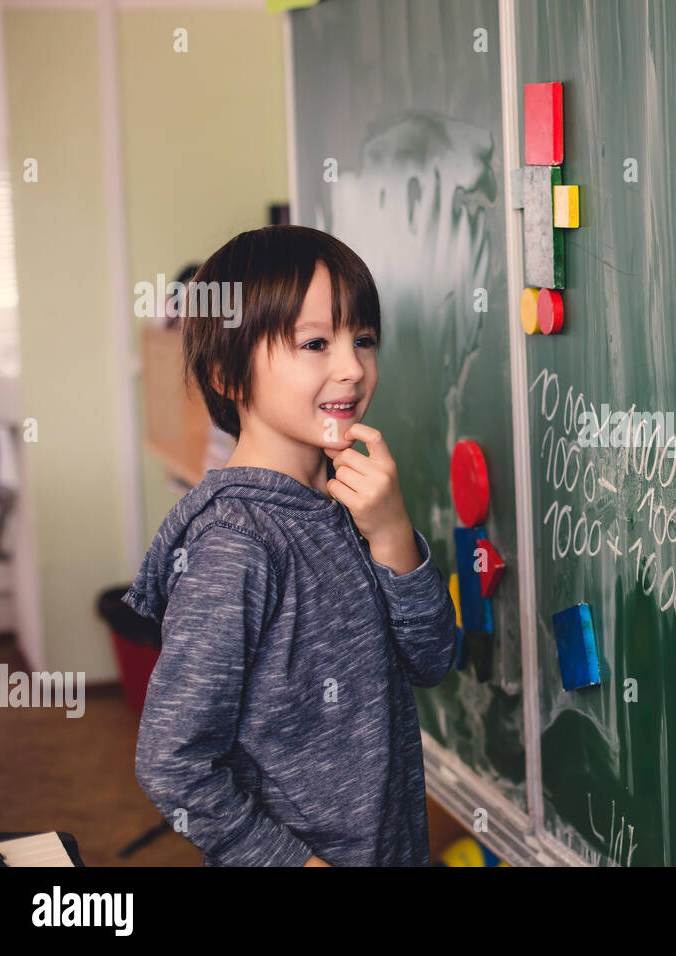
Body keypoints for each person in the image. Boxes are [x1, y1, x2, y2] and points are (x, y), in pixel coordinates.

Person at [123, 225, 457, 866]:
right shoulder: (235, 544)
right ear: (227, 373)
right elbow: (172, 758)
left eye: (363, 339)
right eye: (315, 342)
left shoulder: (347, 502)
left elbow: (432, 659)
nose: (352, 367)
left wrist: (390, 533)